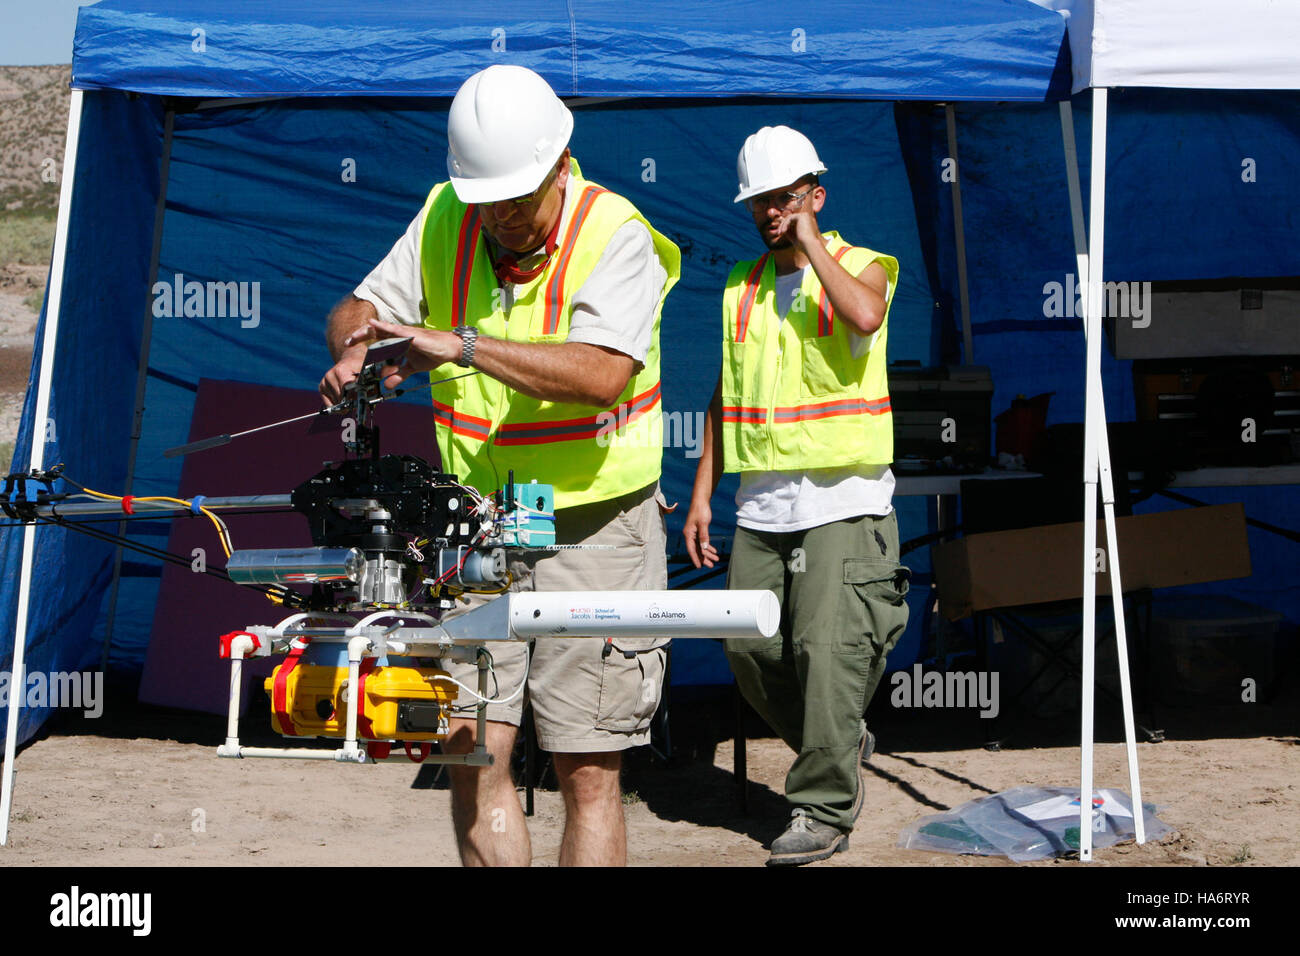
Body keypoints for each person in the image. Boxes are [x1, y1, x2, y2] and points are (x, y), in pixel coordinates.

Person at [319, 65, 680, 867]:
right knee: (467, 747)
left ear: (560, 163)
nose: (502, 216)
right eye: (489, 200)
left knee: (588, 768)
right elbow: (358, 306)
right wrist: (356, 353)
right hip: (475, 525)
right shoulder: (448, 210)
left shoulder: (615, 230)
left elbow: (601, 377)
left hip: (596, 528)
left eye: (518, 197)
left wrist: (464, 346)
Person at [683, 125, 910, 866]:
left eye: (783, 198)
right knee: (749, 648)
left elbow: (866, 316)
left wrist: (812, 245)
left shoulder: (861, 263)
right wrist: (701, 494)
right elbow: (726, 394)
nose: (769, 212)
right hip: (762, 505)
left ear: (815, 195)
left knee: (828, 649)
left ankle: (823, 808)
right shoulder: (740, 285)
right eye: (759, 202)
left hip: (844, 501)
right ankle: (837, 739)